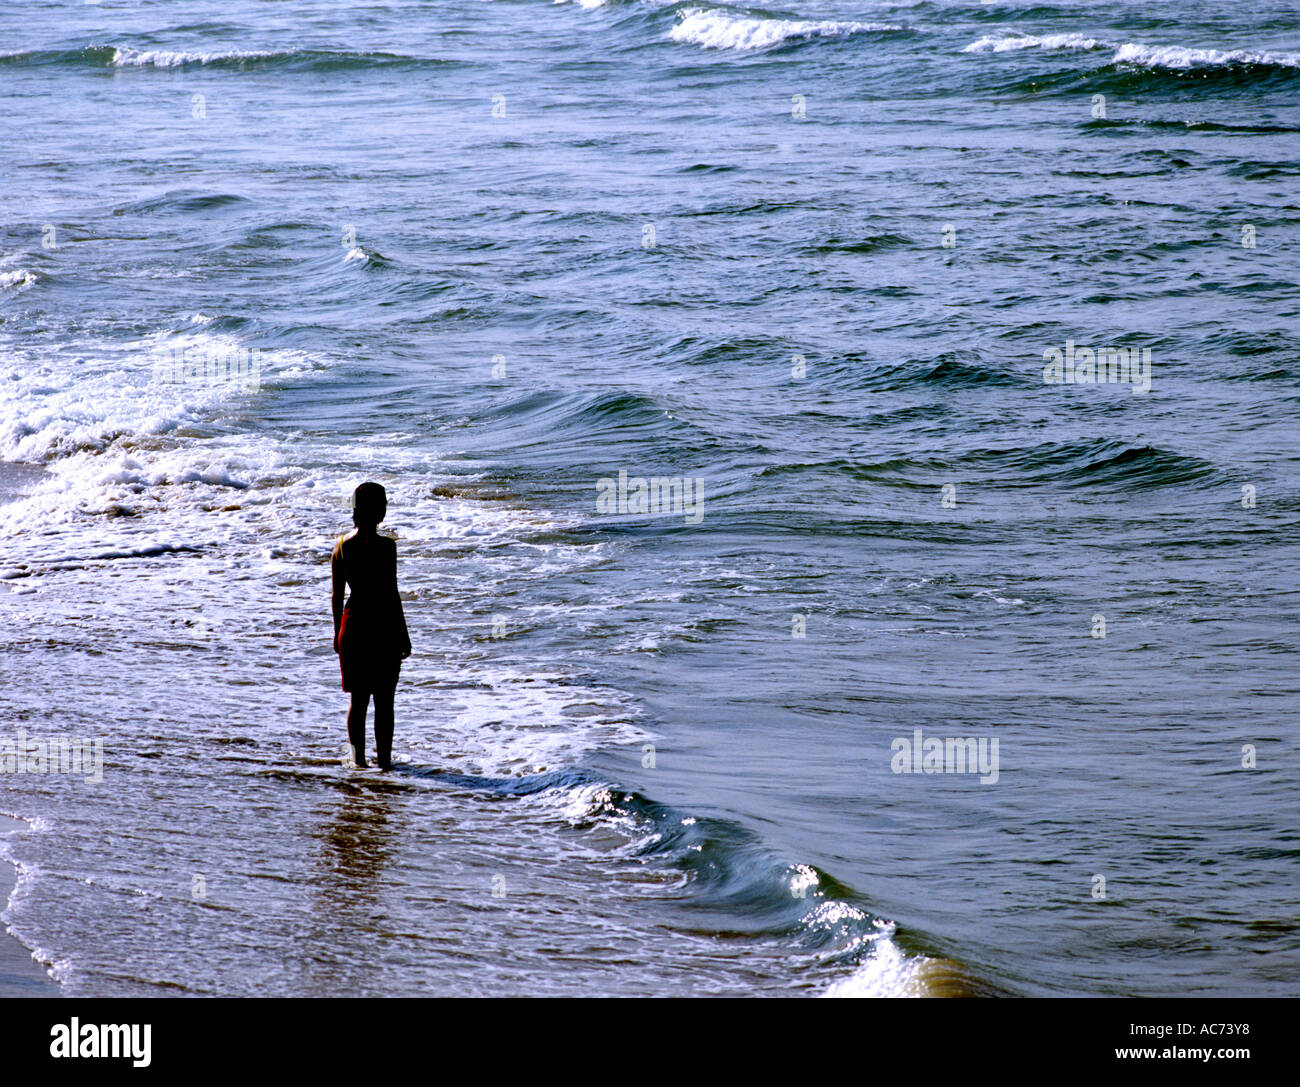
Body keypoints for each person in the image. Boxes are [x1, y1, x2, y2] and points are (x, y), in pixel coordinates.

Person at [332, 482, 411, 770]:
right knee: (385, 701)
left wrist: (336, 633)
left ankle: (358, 760)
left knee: (358, 700)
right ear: (380, 512)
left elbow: (337, 596)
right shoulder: (386, 548)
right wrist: (403, 634)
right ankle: (386, 764)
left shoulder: (341, 547)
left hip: (352, 627)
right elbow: (391, 592)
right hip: (383, 626)